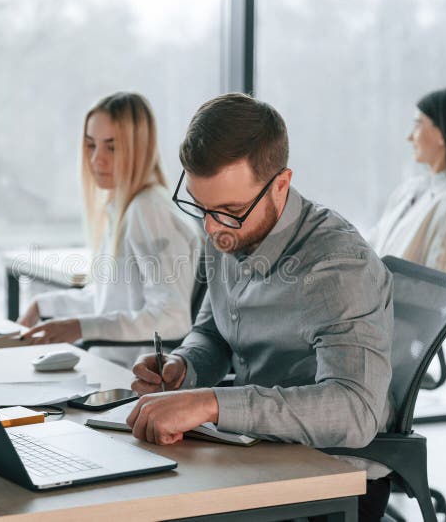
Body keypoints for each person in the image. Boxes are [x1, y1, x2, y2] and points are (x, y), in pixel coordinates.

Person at [126, 93, 395, 522]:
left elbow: (354, 410)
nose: (212, 228)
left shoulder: (340, 267)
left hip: (332, 478)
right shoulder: (229, 229)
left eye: (229, 211)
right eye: (202, 208)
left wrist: (212, 403)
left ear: (281, 186)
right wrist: (183, 366)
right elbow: (212, 330)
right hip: (256, 451)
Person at [18, 92, 202, 367]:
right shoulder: (126, 207)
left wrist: (82, 328)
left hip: (126, 379)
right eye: (91, 146)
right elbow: (109, 302)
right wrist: (43, 306)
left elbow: (172, 318)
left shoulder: (149, 211)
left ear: (138, 148)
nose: (96, 160)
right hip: (104, 368)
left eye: (111, 147)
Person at [368, 87, 446, 274]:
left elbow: (438, 290)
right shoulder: (409, 189)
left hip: (391, 303)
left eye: (418, 124)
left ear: (442, 133)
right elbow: (369, 251)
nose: (409, 137)